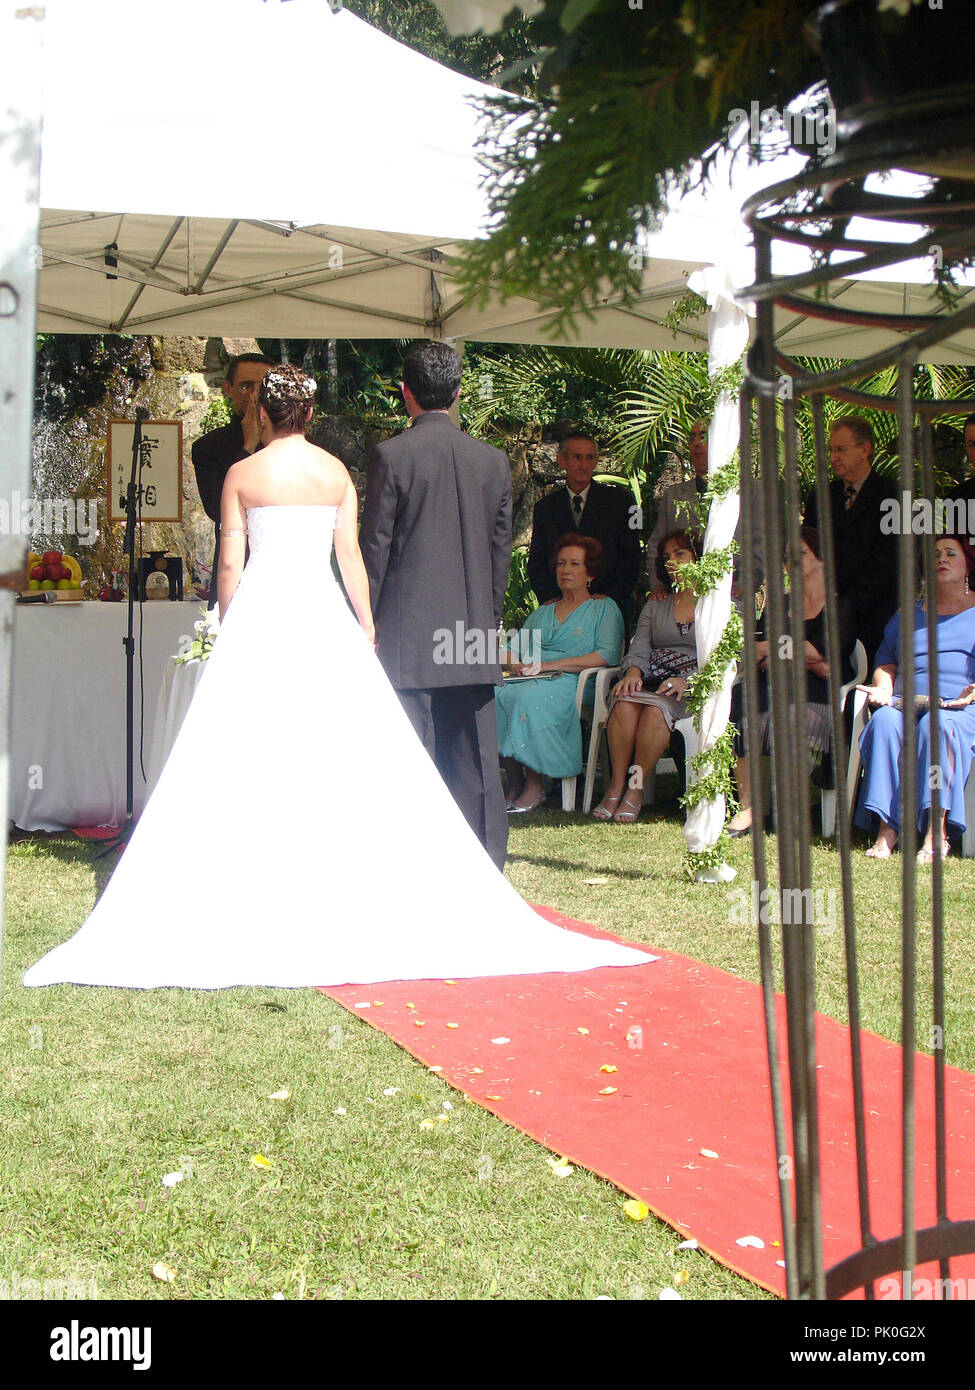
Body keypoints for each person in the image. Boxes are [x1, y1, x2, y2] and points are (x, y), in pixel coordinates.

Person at [23, 366, 649, 989]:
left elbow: (230, 561)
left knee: (247, 747)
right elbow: (352, 557)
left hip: (265, 615)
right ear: (311, 415)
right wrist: (367, 627)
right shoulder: (335, 474)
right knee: (335, 744)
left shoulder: (243, 473)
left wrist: (228, 623)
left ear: (263, 413)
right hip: (322, 614)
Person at [359, 342, 511, 871]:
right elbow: (499, 559)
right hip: (470, 635)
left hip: (407, 638)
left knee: (405, 761)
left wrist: (365, 621)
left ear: (405, 393)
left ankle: (408, 866)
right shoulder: (492, 461)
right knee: (475, 762)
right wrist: (487, 628)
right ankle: (485, 867)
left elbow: (374, 549)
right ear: (459, 392)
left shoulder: (391, 456)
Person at [726, 528, 857, 837]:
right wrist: (805, 656)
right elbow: (759, 652)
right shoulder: (777, 605)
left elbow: (821, 650)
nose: (790, 562)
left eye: (799, 554)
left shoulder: (840, 606)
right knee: (741, 703)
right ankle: (748, 808)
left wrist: (778, 648)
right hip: (773, 682)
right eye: (787, 557)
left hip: (816, 692)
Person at [855, 534, 975, 863]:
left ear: (967, 566)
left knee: (936, 727)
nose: (942, 558)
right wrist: (883, 687)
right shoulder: (908, 614)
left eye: (951, 553)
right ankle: (887, 830)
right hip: (906, 702)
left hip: (958, 710)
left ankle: (936, 831)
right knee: (883, 722)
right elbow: (886, 660)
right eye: (935, 554)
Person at [497, 534, 624, 813]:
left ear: (590, 572)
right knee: (494, 694)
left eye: (575, 564)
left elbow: (606, 655)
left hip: (578, 682)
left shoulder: (604, 609)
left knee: (528, 699)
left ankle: (536, 782)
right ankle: (515, 779)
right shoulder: (543, 612)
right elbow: (506, 650)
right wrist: (515, 664)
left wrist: (549, 665)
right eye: (561, 564)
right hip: (535, 678)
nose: (566, 570)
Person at [591, 531, 701, 823]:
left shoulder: (715, 604)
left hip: (690, 688)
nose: (673, 563)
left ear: (698, 558)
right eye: (667, 558)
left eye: (681, 554)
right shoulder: (657, 603)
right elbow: (640, 645)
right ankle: (616, 785)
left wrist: (688, 681)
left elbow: (724, 658)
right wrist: (633, 672)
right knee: (624, 702)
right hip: (652, 678)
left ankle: (636, 788)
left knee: (655, 711)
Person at [802, 415, 898, 670]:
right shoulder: (821, 497)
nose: (833, 457)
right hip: (821, 616)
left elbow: (889, 562)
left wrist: (846, 604)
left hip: (873, 616)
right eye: (831, 450)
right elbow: (808, 551)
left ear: (865, 449)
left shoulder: (893, 494)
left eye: (841, 450)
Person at [527, 433, 641, 621]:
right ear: (562, 461)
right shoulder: (545, 508)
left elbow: (632, 556)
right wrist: (552, 600)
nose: (584, 464)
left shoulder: (623, 502)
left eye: (590, 457)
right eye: (577, 457)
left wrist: (611, 597)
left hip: (608, 606)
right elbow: (537, 561)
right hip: (561, 610)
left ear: (596, 461)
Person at [645, 420, 764, 602]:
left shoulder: (751, 491)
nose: (697, 443)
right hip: (682, 598)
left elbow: (762, 545)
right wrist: (658, 585)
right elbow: (657, 545)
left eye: (704, 436)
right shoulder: (674, 495)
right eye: (692, 437)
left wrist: (745, 585)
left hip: (732, 597)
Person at [191, 352, 274, 606]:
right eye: (246, 386)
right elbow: (217, 508)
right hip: (235, 573)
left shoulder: (292, 446)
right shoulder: (208, 447)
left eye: (262, 387)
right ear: (228, 389)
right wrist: (247, 447)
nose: (254, 396)